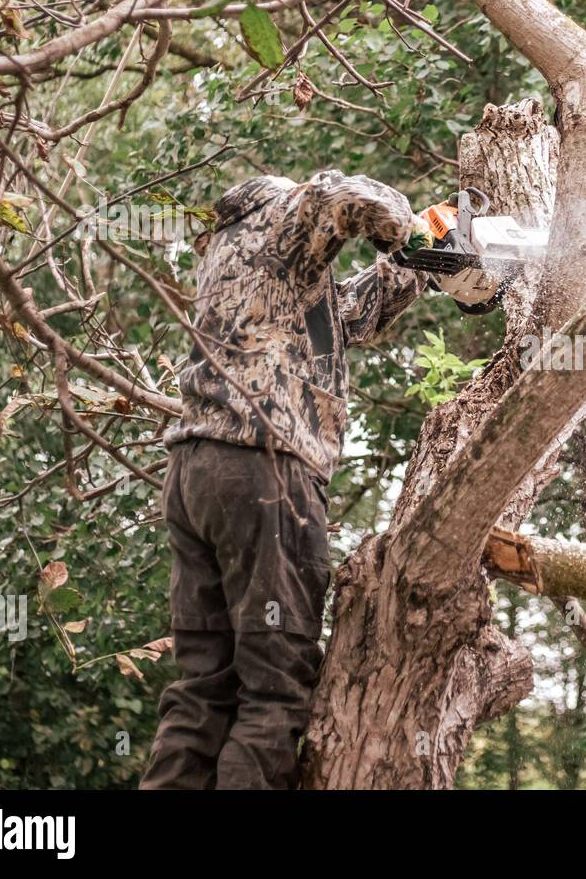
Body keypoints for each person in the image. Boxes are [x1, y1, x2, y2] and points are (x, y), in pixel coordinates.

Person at [139, 171, 427, 789]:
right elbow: (338, 196)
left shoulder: (242, 257)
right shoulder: (280, 214)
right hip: (265, 471)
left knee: (202, 691)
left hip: (197, 476)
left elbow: (348, 318)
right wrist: (403, 221)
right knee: (274, 689)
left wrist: (421, 254)